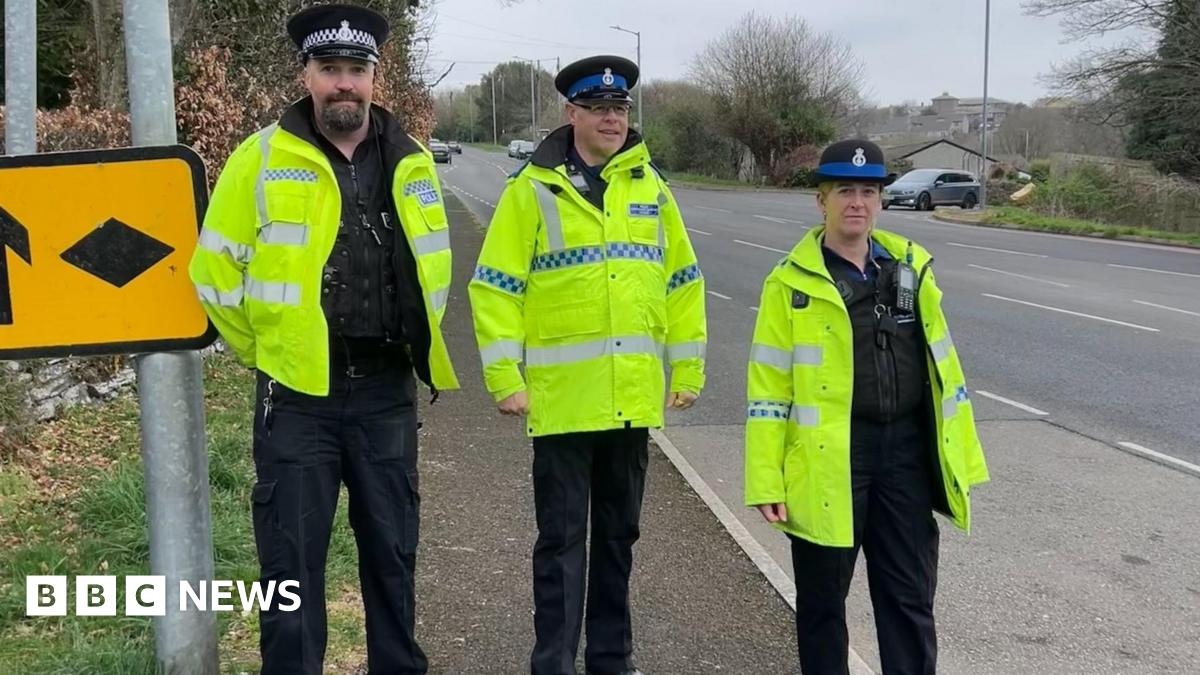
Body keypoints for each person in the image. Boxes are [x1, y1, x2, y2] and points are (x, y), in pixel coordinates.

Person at [188, 4, 458, 673]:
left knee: (394, 557)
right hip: (298, 397)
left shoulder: (413, 161)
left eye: (356, 70)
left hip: (386, 392)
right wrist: (265, 349)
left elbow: (435, 265)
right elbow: (213, 271)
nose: (344, 83)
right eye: (329, 69)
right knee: (291, 566)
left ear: (376, 77)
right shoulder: (261, 157)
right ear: (305, 74)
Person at [468, 55, 707, 675]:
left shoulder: (651, 190)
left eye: (620, 108)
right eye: (598, 108)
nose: (611, 118)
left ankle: (610, 659)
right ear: (571, 113)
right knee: (560, 544)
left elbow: (682, 283)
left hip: (628, 403)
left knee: (618, 541)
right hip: (562, 404)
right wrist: (504, 377)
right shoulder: (533, 190)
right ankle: (552, 662)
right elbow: (494, 287)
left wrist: (687, 371)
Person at [743, 139, 989, 674]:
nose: (858, 202)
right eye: (845, 191)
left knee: (908, 600)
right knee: (823, 606)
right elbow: (768, 388)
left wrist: (959, 459)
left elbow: (943, 372)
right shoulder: (789, 283)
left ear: (880, 200)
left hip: (904, 456)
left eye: (869, 192)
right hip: (831, 457)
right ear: (821, 201)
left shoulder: (910, 269)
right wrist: (765, 478)